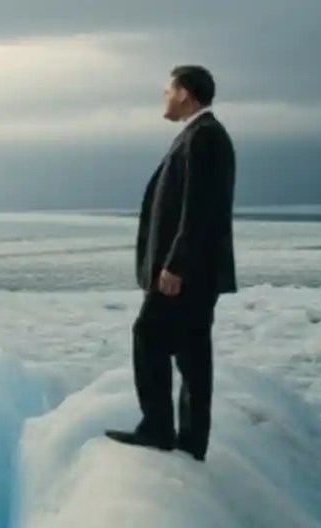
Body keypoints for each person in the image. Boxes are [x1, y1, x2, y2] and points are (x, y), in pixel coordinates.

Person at [105, 65, 238, 462]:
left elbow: (198, 209)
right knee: (192, 353)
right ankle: (190, 441)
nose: (164, 97)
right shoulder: (200, 136)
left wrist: (175, 265)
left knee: (149, 336)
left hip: (187, 273)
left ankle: (159, 428)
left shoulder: (205, 137)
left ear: (185, 94)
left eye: (168, 90)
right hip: (195, 271)